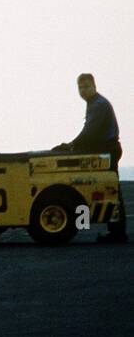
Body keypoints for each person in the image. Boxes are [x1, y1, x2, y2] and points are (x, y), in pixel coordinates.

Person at [55, 73, 126, 244]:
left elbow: (90, 131)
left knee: (111, 191)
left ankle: (117, 232)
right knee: (112, 189)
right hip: (106, 148)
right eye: (80, 88)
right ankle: (116, 231)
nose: (83, 91)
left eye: (86, 87)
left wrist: (71, 145)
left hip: (107, 149)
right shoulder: (94, 103)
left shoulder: (99, 104)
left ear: (94, 86)